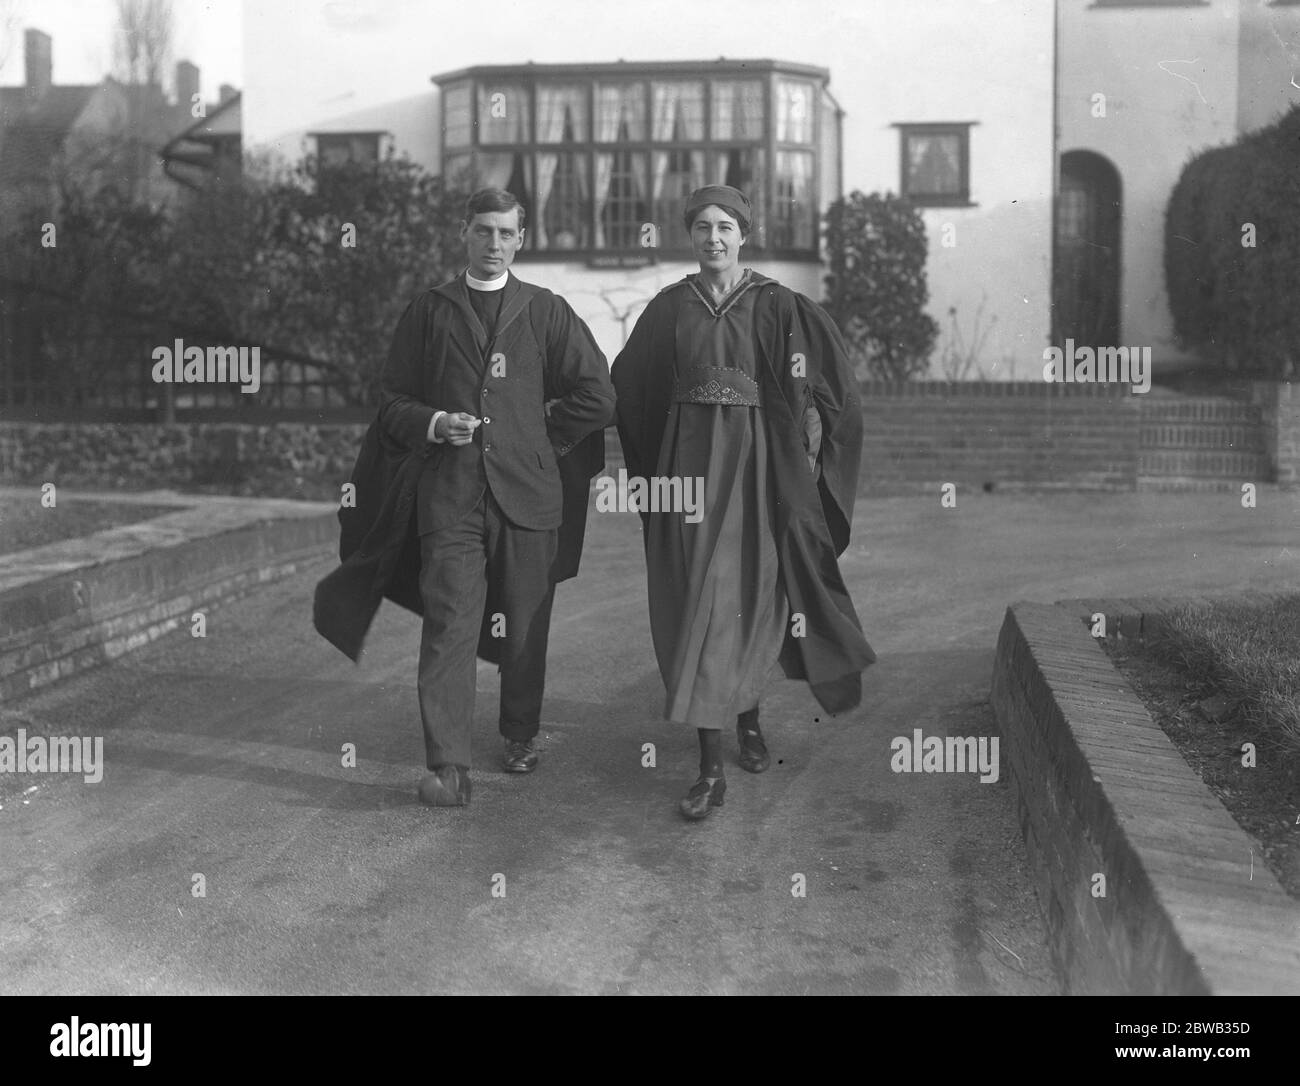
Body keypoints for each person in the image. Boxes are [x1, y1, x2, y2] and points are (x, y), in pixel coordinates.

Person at [314, 187, 615, 807]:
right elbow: (392, 401)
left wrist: (537, 434)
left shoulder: (546, 311)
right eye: (483, 231)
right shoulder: (429, 310)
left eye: (506, 234)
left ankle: (520, 734)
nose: (495, 244)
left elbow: (599, 396)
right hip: (449, 498)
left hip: (528, 496)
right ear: (463, 234)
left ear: (521, 239)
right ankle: (449, 766)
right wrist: (431, 423)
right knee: (449, 624)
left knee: (526, 625)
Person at [612, 184, 875, 821]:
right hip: (688, 476)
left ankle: (748, 719)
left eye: (725, 226)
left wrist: (811, 455)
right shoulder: (668, 308)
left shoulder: (779, 305)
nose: (713, 238)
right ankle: (708, 766)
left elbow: (832, 387)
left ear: (743, 234)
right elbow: (626, 389)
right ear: (689, 235)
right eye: (701, 226)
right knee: (700, 597)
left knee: (753, 595)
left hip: (758, 472)